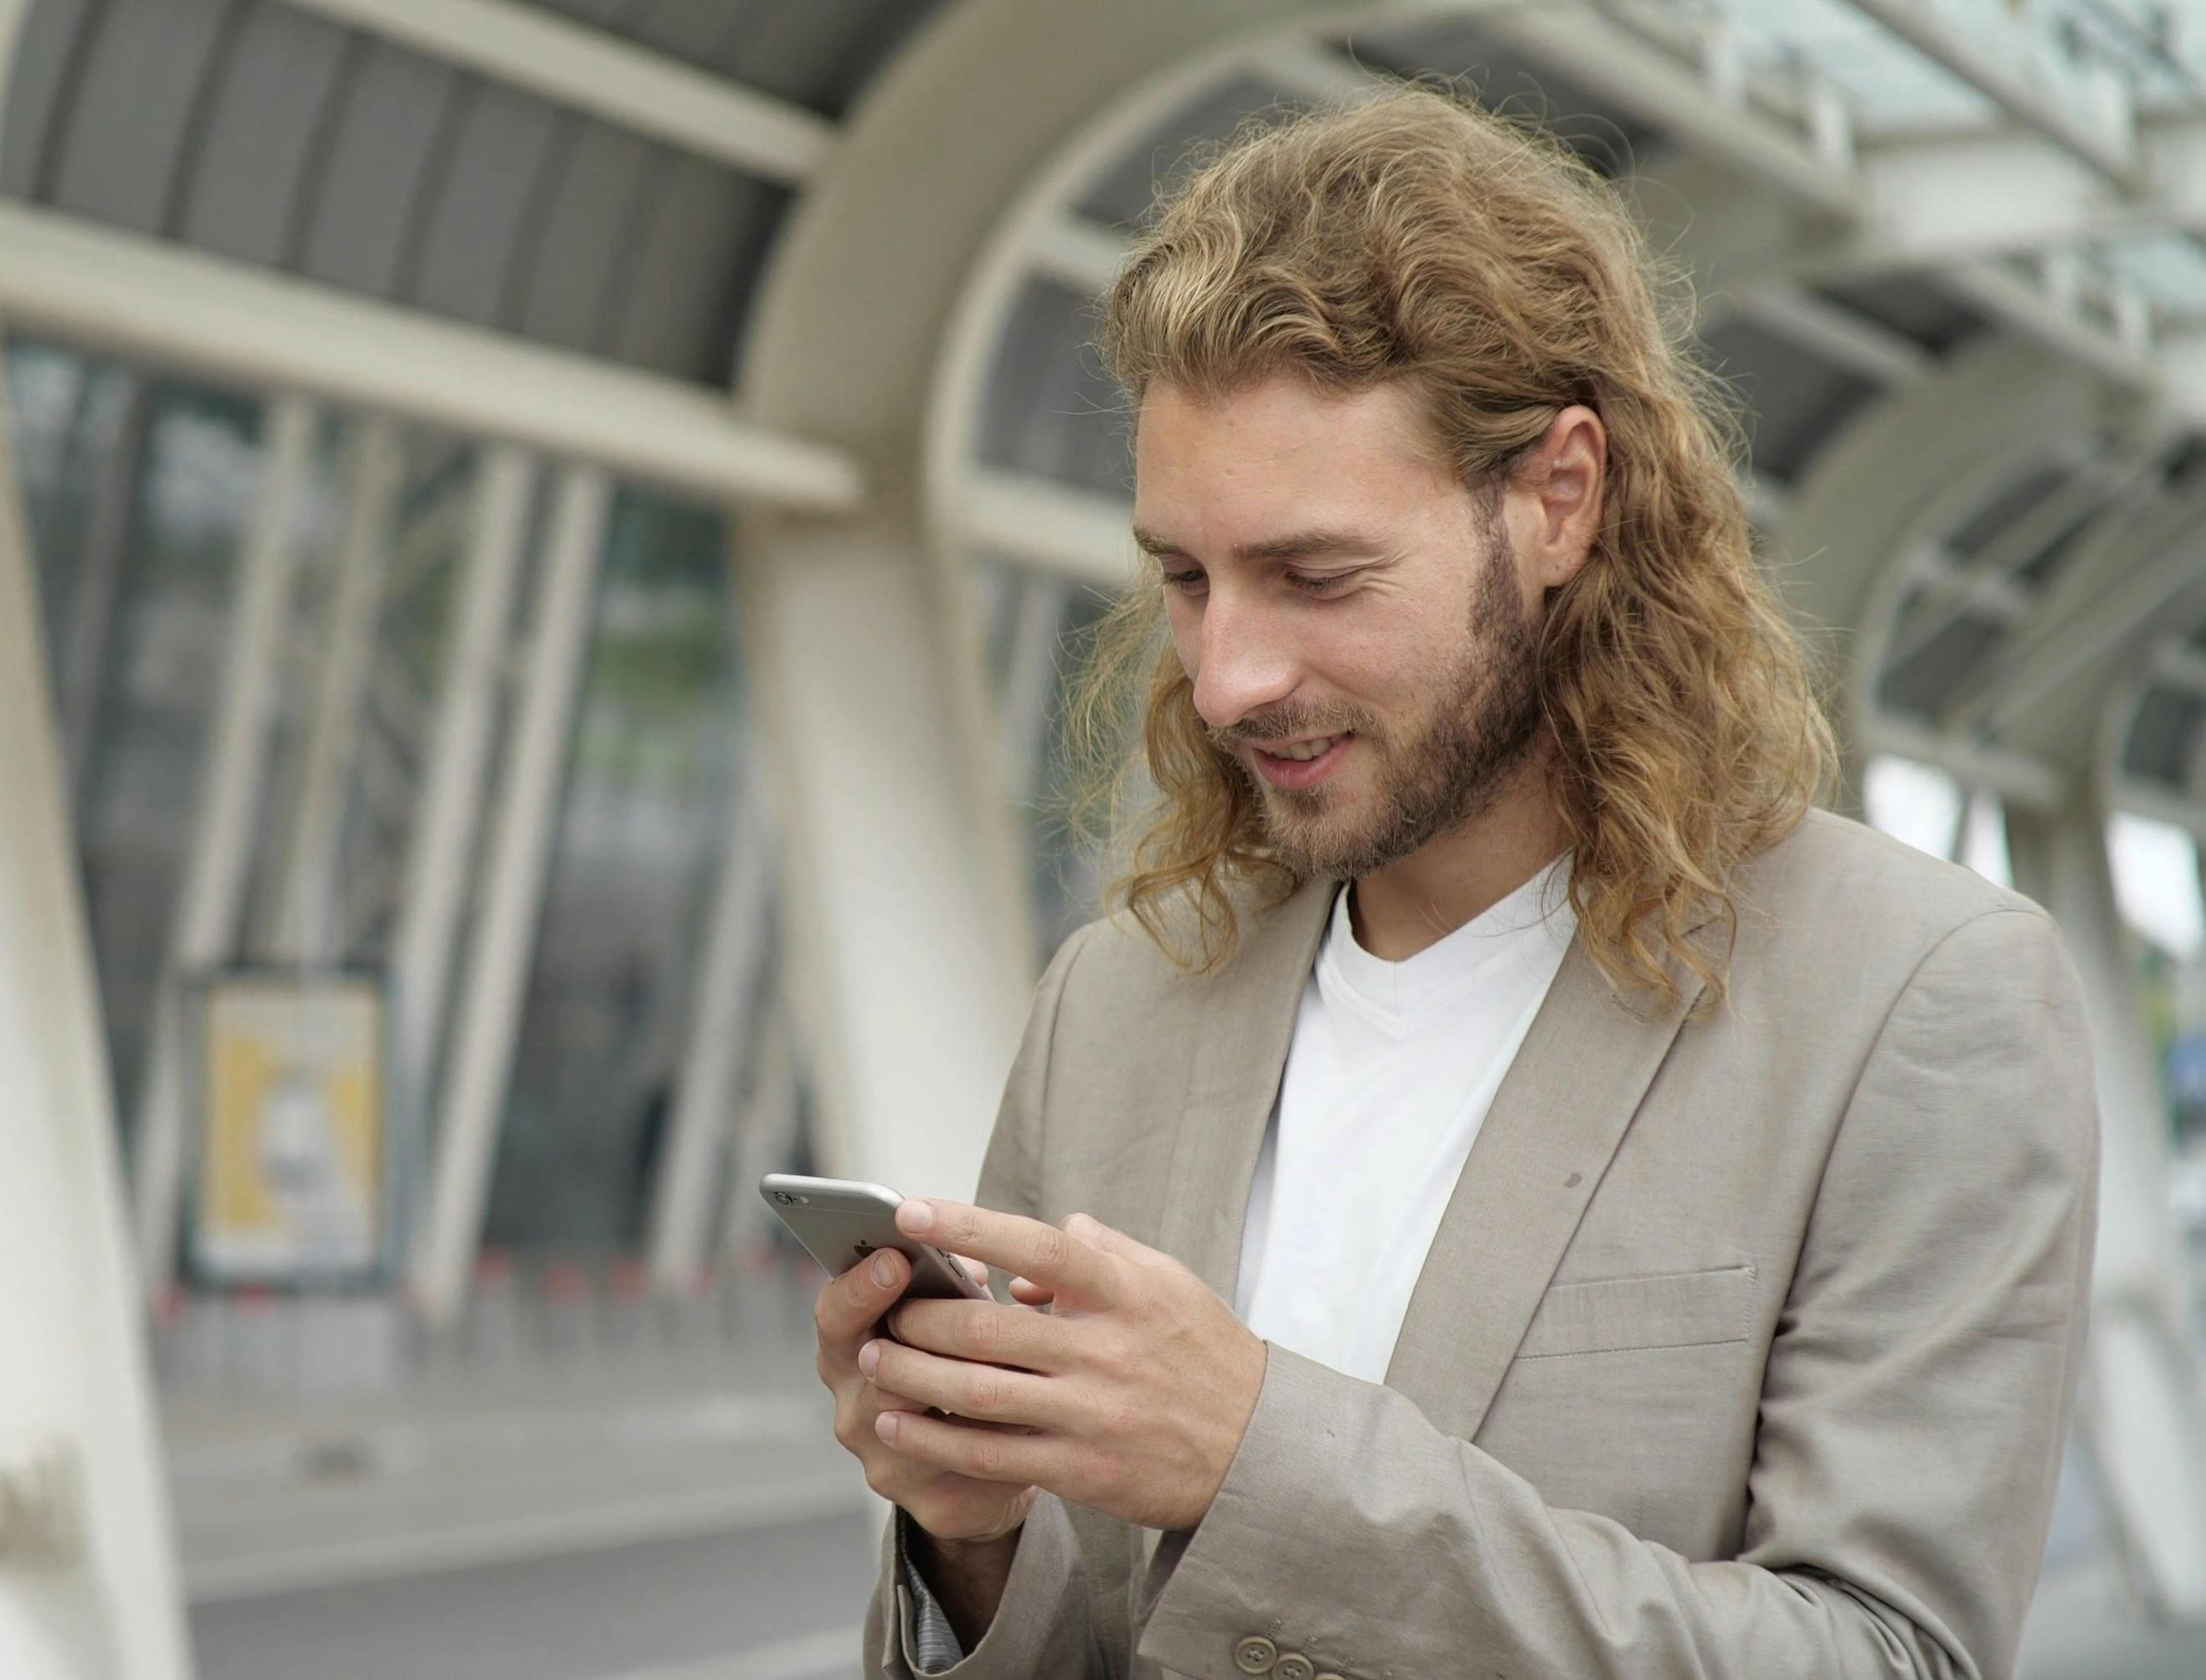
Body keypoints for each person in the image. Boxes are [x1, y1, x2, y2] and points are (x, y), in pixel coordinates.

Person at [818, 87, 2097, 1679]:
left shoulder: (1912, 998)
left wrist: (1259, 1459)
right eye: (1188, 579)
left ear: (1559, 498)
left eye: (1317, 576)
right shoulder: (1118, 1004)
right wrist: (970, 1540)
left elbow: (1893, 1657)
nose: (1226, 677)